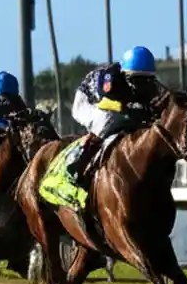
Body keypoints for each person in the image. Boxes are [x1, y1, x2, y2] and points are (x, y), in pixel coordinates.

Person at [64, 45, 160, 182]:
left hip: (116, 104)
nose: (142, 84)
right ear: (125, 74)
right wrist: (128, 110)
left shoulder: (149, 85)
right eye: (137, 79)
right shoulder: (112, 77)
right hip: (90, 102)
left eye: (146, 79)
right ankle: (77, 161)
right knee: (107, 119)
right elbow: (104, 104)